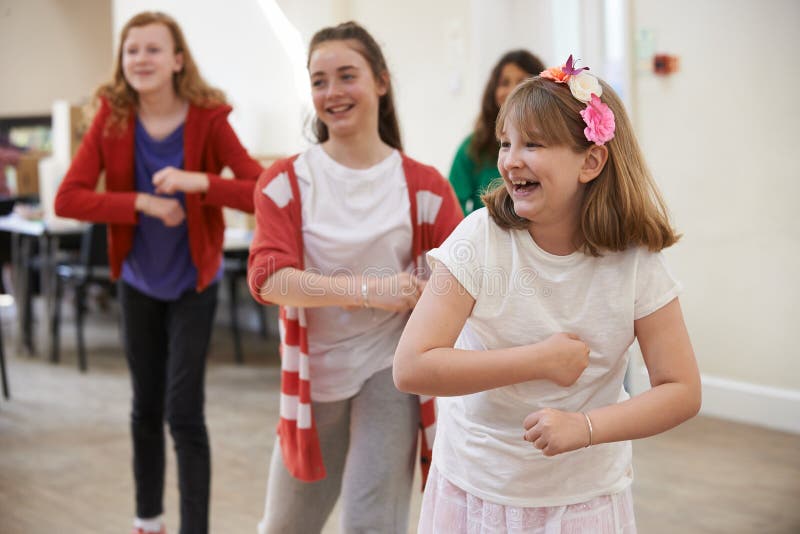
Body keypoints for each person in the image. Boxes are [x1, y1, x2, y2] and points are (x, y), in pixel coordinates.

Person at [394, 56, 701, 533]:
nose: (510, 159)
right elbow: (412, 366)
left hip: (584, 499)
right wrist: (538, 359)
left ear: (591, 160)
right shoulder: (480, 238)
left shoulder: (635, 259)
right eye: (505, 143)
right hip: (479, 489)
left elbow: (681, 389)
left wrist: (587, 428)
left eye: (532, 144)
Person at [247, 21, 463, 534]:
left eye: (347, 76)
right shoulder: (284, 183)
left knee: (372, 525)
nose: (333, 93)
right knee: (286, 526)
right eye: (319, 81)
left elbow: (463, 279)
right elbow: (268, 279)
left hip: (389, 373)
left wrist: (430, 292)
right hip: (312, 375)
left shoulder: (425, 186)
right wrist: (371, 290)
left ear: (380, 83)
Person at [54, 11, 262, 534]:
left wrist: (200, 182)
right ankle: (148, 521)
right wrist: (142, 203)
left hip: (194, 281)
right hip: (138, 282)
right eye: (132, 50)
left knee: (183, 412)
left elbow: (261, 190)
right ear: (122, 62)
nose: (140, 59)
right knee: (144, 406)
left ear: (177, 60)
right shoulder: (112, 117)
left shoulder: (209, 118)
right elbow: (69, 198)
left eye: (153, 49)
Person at [448, 49, 544, 215]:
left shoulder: (552, 142)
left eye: (522, 81)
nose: (513, 90)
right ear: (493, 91)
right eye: (504, 83)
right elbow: (453, 206)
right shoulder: (472, 147)